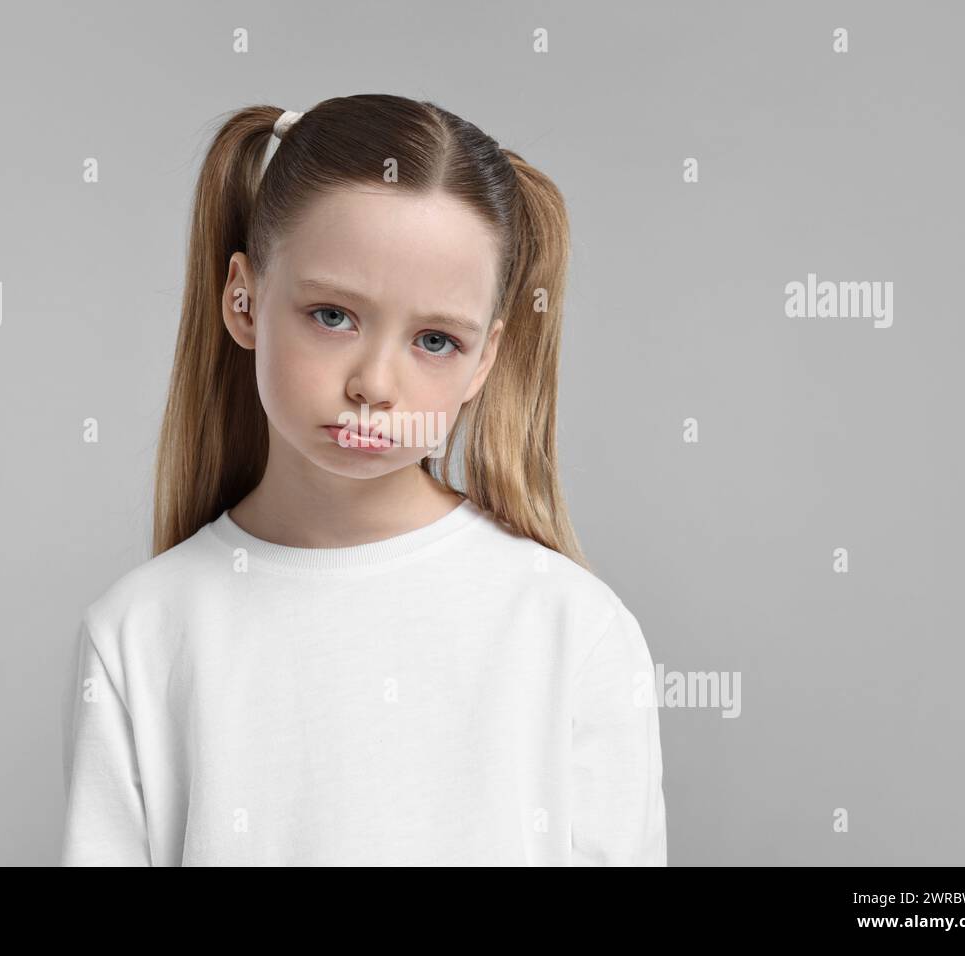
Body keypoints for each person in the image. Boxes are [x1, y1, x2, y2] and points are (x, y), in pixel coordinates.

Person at [60, 94, 666, 865]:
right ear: (243, 300)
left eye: (436, 340)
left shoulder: (572, 629)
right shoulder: (137, 636)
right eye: (334, 316)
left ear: (486, 358)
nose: (375, 382)